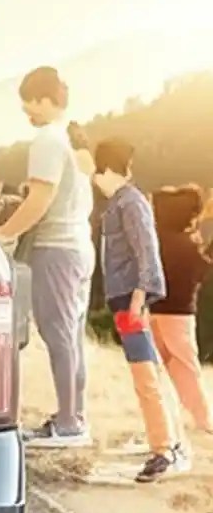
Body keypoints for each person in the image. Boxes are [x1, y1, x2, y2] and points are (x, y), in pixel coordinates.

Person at [0, 66, 96, 447]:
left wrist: (2, 235)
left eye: (29, 104)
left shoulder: (48, 141)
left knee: (58, 335)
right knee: (71, 336)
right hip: (79, 248)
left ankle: (68, 424)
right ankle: (74, 416)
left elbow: (40, 200)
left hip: (56, 250)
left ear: (45, 100)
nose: (27, 112)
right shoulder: (70, 140)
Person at [95, 139, 190, 482]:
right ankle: (169, 442)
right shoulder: (122, 202)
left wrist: (139, 296)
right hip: (126, 300)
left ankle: (164, 450)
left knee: (144, 374)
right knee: (147, 372)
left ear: (104, 170)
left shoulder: (130, 203)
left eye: (96, 172)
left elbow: (146, 251)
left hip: (131, 301)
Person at [151, 184, 213, 435]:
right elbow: (205, 269)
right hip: (178, 315)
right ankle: (203, 421)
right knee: (187, 367)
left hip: (150, 311)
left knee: (158, 367)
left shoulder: (157, 239)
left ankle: (168, 419)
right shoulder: (187, 246)